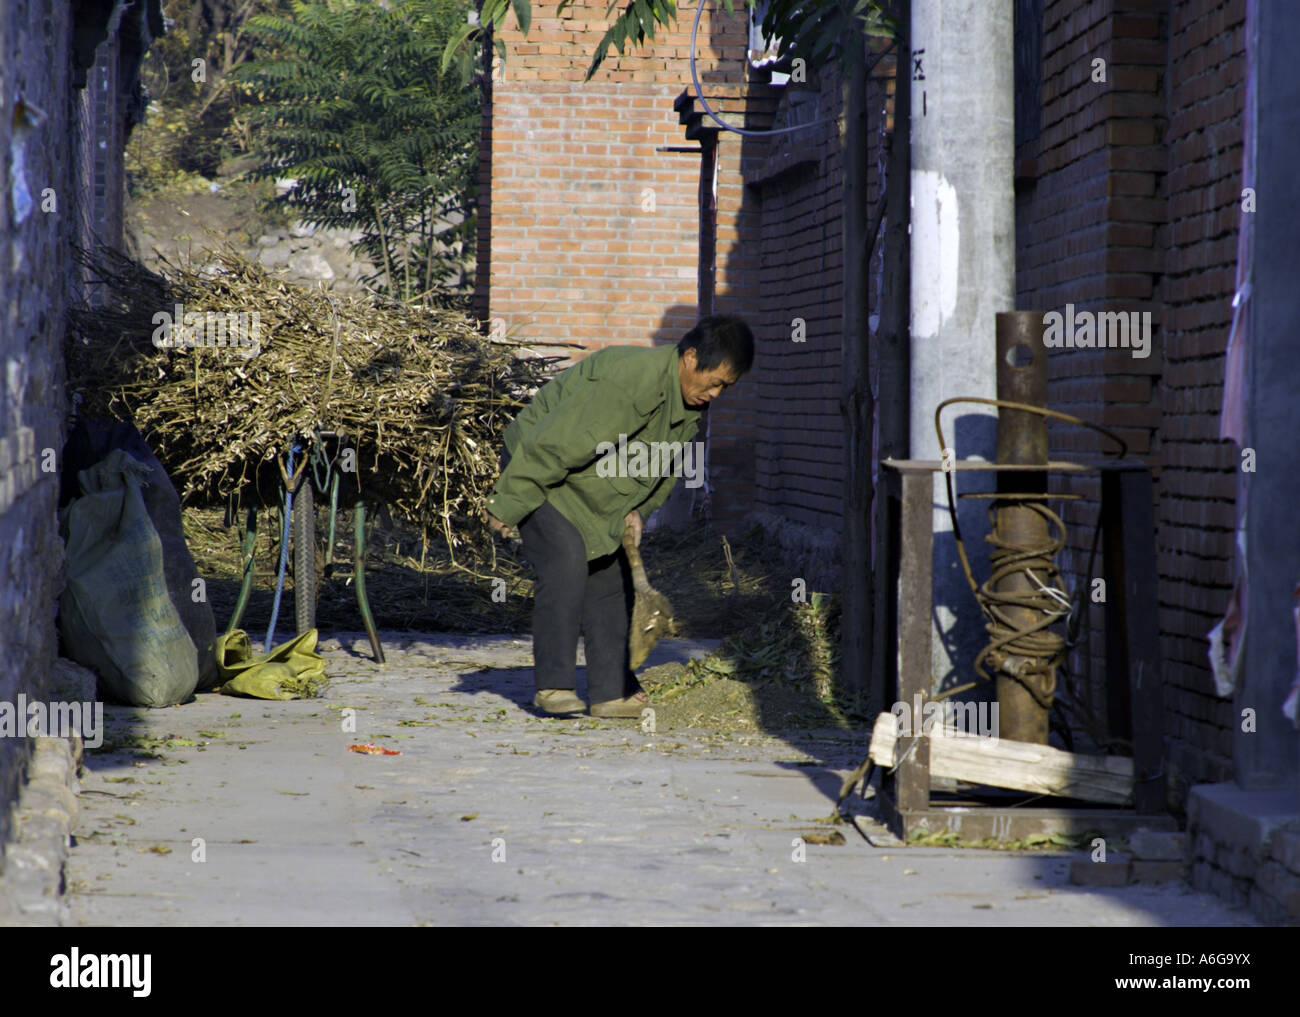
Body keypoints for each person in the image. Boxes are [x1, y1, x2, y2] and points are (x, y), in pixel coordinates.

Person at [483, 315, 755, 718]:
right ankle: (554, 686)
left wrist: (639, 509)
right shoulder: (630, 381)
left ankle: (609, 693)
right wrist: (509, 501)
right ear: (690, 357)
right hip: (540, 465)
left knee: (611, 581)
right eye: (714, 381)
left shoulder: (686, 406)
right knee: (566, 561)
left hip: (593, 486)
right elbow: (560, 444)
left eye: (725, 388)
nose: (715, 393)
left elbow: (664, 466)